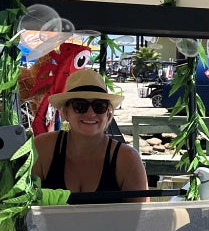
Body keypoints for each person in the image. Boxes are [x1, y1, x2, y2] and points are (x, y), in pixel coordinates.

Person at [33, 69, 149, 200]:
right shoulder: (42, 148)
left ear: (108, 113)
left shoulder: (128, 160)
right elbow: (21, 208)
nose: (90, 113)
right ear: (65, 112)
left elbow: (141, 217)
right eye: (80, 105)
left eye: (99, 106)